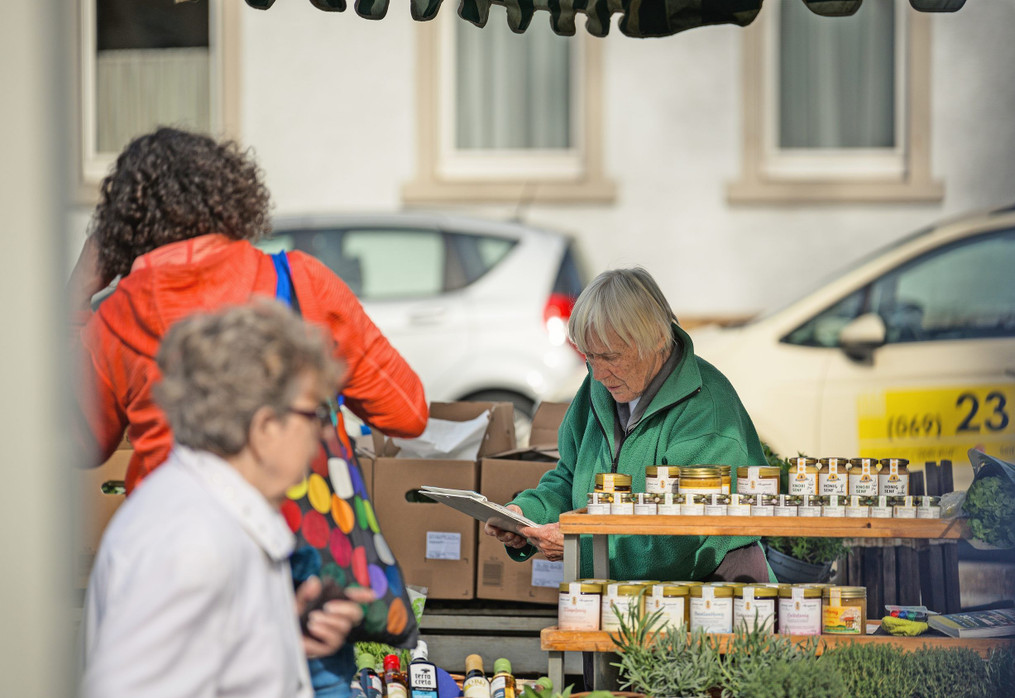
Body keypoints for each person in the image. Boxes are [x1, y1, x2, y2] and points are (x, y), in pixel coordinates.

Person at [68, 127, 429, 697]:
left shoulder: (114, 317)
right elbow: (408, 412)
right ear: (231, 195)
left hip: (176, 553)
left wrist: (74, 302)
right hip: (304, 558)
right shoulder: (299, 283)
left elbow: (78, 443)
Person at [80, 301, 371, 698]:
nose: (325, 435)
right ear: (266, 427)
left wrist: (284, 633)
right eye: (316, 414)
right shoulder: (194, 545)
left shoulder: (207, 514)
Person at [485, 267, 773, 582]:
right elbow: (571, 479)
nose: (598, 374)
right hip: (622, 590)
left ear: (656, 340)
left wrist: (581, 550)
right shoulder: (599, 388)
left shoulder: (706, 410)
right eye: (590, 357)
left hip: (714, 592)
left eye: (610, 357)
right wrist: (525, 515)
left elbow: (686, 542)